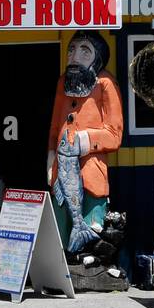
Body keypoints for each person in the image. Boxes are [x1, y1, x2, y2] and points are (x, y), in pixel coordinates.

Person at [45, 30, 123, 259]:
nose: (74, 56)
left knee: (93, 228)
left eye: (84, 51)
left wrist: (83, 141)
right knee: (61, 225)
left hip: (91, 174)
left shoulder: (107, 83)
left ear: (97, 57)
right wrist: (50, 156)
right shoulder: (62, 83)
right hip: (61, 172)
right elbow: (54, 126)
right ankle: (63, 267)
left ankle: (90, 266)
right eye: (71, 50)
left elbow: (115, 134)